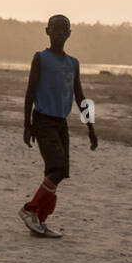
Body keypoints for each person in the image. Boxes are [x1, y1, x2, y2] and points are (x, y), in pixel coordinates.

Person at [19, 15, 98, 238]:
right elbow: (30, 92)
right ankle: (29, 210)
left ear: (69, 34)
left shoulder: (73, 63)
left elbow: (80, 96)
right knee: (58, 168)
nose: (59, 33)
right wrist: (27, 125)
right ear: (47, 31)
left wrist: (90, 128)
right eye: (55, 29)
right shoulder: (41, 58)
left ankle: (39, 222)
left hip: (61, 124)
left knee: (57, 172)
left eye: (64, 30)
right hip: (43, 121)